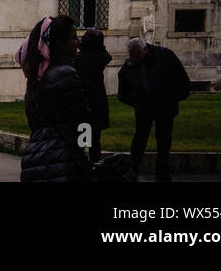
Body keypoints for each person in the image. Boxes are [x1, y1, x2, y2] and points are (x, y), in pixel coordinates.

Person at [18, 15, 92, 182]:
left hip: (33, 160)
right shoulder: (66, 74)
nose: (78, 43)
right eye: (73, 38)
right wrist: (85, 152)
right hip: (62, 162)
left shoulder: (37, 79)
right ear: (59, 43)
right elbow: (82, 121)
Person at [119, 37, 190, 181]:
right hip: (146, 107)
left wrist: (173, 99)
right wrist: (136, 103)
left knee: (163, 140)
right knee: (140, 139)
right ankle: (134, 168)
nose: (135, 59)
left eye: (137, 56)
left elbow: (182, 79)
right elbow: (123, 88)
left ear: (144, 50)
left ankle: (162, 171)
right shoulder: (133, 63)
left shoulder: (164, 56)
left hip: (164, 106)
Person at [74, 28, 112, 163]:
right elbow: (106, 55)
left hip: (84, 99)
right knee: (95, 138)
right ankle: (94, 163)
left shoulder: (80, 58)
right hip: (97, 98)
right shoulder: (101, 57)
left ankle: (80, 163)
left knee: (82, 135)